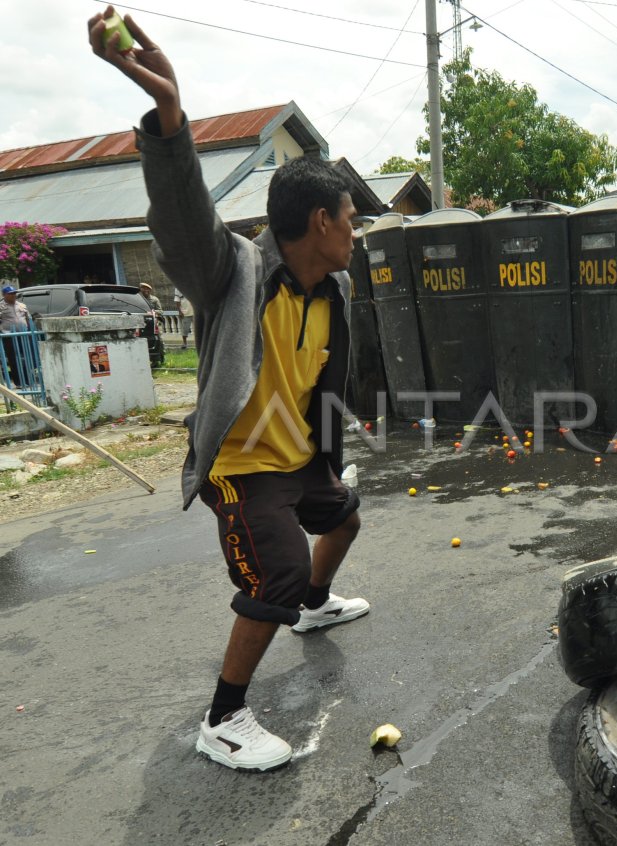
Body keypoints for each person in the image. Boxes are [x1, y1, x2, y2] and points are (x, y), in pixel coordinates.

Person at [90, 7, 370, 773]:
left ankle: (312, 609)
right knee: (274, 571)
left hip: (297, 459)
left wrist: (337, 450)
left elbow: (326, 384)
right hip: (242, 472)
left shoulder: (333, 293)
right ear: (319, 222)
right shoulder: (233, 274)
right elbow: (183, 223)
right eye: (351, 219)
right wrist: (170, 120)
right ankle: (223, 718)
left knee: (342, 520)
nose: (358, 232)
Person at [0, 285, 33, 386]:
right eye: (10, 294)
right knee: (14, 359)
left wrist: (30, 330)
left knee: (26, 357)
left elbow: (28, 318)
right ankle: (19, 382)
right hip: (8, 336)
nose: (13, 295)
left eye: (14, 293)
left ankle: (28, 380)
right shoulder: (1, 307)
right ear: (4, 295)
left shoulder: (21, 305)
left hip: (23, 335)